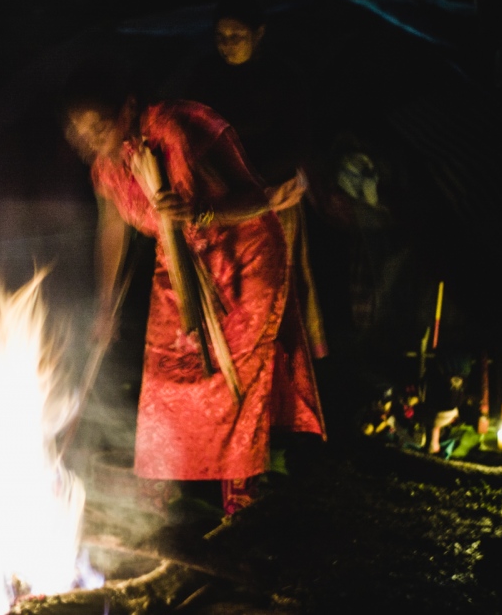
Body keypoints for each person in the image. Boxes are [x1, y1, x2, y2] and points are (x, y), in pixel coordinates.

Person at [61, 60, 326, 523]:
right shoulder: (107, 167)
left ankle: (241, 504)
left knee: (232, 384)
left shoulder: (179, 126)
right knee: (166, 381)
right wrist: (104, 307)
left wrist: (198, 212)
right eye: (79, 135)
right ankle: (157, 501)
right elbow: (111, 229)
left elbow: (254, 195)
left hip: (243, 259)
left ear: (127, 108)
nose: (91, 141)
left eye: (98, 126)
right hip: (180, 269)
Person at [185, 0, 329, 372]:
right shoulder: (205, 76)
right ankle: (238, 358)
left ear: (259, 33)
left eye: (237, 36)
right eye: (221, 37)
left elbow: (299, 141)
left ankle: (289, 362)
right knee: (232, 284)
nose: (228, 45)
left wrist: (261, 187)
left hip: (274, 197)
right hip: (226, 201)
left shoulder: (283, 78)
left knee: (281, 280)